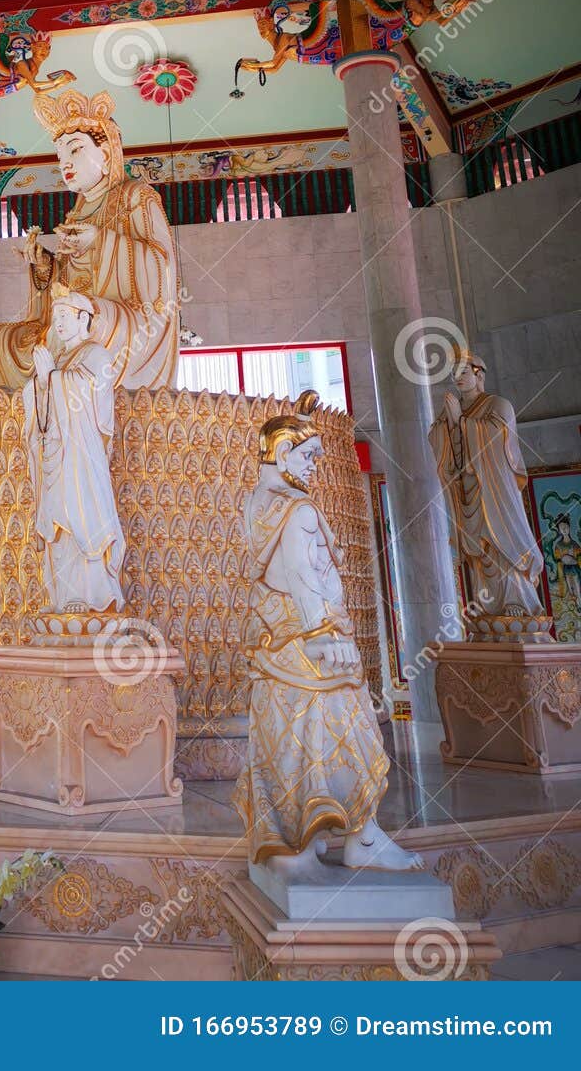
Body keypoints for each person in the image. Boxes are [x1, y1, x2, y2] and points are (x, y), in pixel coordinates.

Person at [233, 394, 420, 879]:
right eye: (308, 455)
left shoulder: (257, 502)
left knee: (288, 743)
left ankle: (296, 843)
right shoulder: (296, 512)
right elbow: (302, 575)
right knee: (347, 735)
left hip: (275, 643)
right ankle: (361, 837)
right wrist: (322, 633)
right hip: (312, 645)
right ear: (279, 453)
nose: (317, 465)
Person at [0, 89, 178, 391]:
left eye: (75, 150)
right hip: (66, 323)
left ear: (107, 152)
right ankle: (49, 375)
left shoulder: (135, 196)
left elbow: (162, 266)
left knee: (79, 330)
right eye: (60, 156)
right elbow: (65, 287)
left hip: (121, 323)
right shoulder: (76, 213)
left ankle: (54, 374)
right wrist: (45, 267)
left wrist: (101, 240)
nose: (65, 165)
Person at [428, 349, 547, 633]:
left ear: (478, 375)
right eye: (453, 374)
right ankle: (490, 603)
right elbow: (438, 442)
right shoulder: (454, 410)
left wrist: (461, 423)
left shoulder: (498, 405)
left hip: (495, 492)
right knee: (481, 554)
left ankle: (517, 599)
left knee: (502, 541)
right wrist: (447, 424)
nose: (457, 378)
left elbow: (498, 444)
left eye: (463, 372)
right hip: (468, 494)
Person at [23, 284, 124, 615]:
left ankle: (93, 598)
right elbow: (42, 408)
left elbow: (90, 403)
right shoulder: (60, 358)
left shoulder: (97, 354)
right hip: (56, 454)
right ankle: (61, 600)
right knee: (57, 528)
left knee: (82, 521)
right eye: (56, 317)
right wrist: (41, 381)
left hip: (82, 457)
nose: (59, 323)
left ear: (84, 319)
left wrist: (51, 376)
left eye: (65, 316)